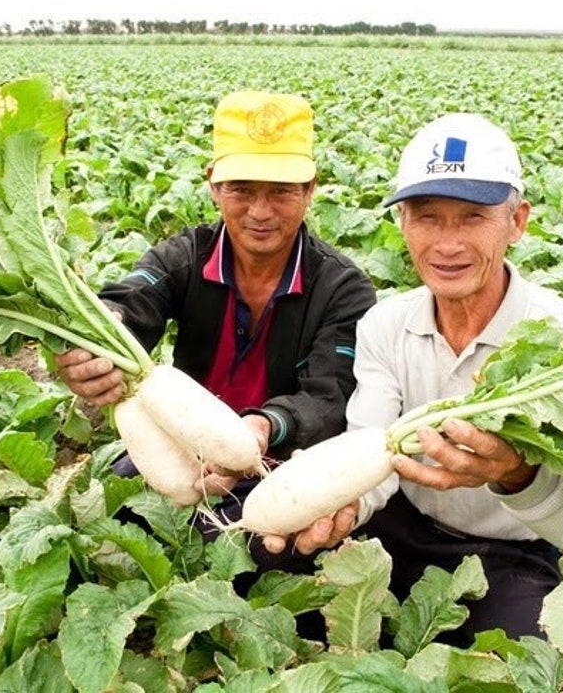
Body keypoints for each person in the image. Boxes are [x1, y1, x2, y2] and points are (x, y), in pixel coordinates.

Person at [264, 112, 563, 641]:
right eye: (427, 218)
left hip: (509, 551)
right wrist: (349, 504)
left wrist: (517, 474)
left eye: (473, 218)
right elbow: (372, 448)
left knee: (528, 656)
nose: (448, 245)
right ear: (403, 223)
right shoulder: (384, 325)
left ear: (517, 222)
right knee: (273, 571)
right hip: (399, 525)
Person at [55, 90, 377, 561]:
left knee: (256, 554)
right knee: (97, 523)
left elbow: (329, 398)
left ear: (310, 190)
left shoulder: (343, 288)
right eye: (242, 189)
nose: (261, 211)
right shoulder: (184, 257)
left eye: (281, 191)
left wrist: (265, 427)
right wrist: (95, 343)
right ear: (213, 185)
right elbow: (130, 300)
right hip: (181, 452)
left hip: (285, 470)